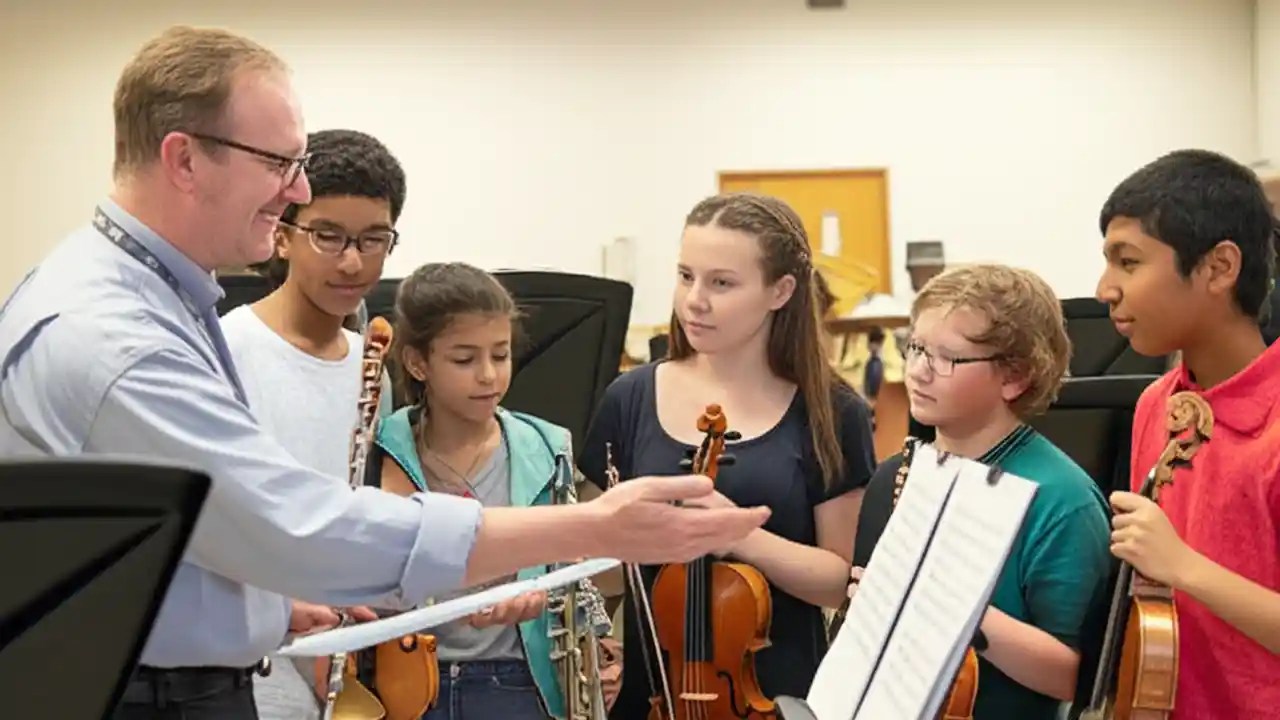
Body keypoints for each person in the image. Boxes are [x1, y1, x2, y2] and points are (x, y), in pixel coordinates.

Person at [0, 25, 768, 720]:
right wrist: (597, 527)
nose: (296, 190)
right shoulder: (118, 336)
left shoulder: (125, 292)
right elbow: (298, 526)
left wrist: (262, 609)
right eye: (278, 163)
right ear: (183, 158)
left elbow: (173, 536)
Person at [578, 192, 877, 717]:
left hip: (775, 698)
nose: (695, 299)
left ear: (780, 291)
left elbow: (839, 582)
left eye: (722, 283)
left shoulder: (832, 412)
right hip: (653, 695)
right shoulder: (628, 398)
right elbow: (595, 571)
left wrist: (738, 533)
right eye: (685, 275)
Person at [849, 264, 1111, 719]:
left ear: (1015, 377)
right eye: (915, 347)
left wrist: (945, 608)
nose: (917, 371)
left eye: (947, 358)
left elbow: (1075, 676)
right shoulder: (895, 476)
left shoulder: (1063, 502)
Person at [367, 262, 610, 719]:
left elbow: (574, 575)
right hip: (406, 685)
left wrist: (540, 593)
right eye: (464, 359)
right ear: (417, 362)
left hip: (517, 684)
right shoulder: (381, 448)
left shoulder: (546, 448)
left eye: (500, 356)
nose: (488, 375)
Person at [219, 128, 406, 718]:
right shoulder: (226, 349)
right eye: (328, 236)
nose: (353, 261)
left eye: (374, 239)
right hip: (252, 663)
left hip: (340, 655)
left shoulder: (371, 363)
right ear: (281, 235)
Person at [1096, 148, 1280, 719]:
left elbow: (1174, 566)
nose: (1105, 288)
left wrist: (1183, 565)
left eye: (1128, 263)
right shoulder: (1159, 402)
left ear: (1219, 268)